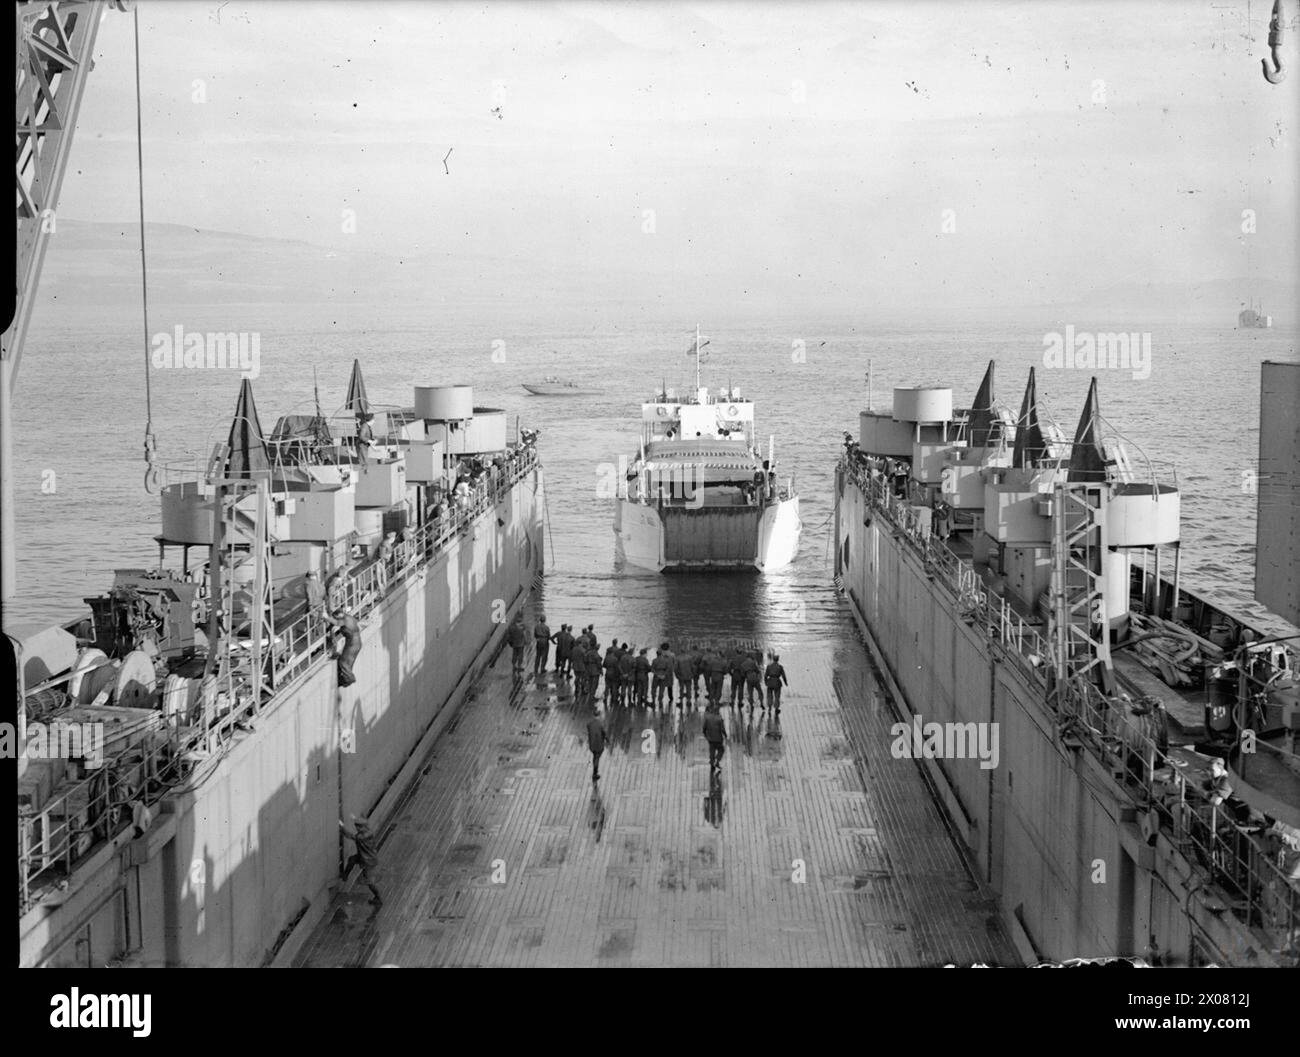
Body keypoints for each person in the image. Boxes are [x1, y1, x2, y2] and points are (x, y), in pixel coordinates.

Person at [339, 816, 382, 904]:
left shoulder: (361, 837)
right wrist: (354, 818)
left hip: (367, 861)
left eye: (358, 827)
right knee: (352, 859)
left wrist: (341, 826)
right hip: (367, 856)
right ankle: (345, 876)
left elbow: (349, 835)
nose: (356, 828)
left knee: (369, 882)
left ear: (362, 827)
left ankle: (378, 898)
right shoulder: (369, 832)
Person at [324, 606, 362, 687]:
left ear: (339, 615)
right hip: (356, 642)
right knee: (349, 662)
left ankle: (349, 679)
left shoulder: (345, 620)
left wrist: (326, 617)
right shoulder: (348, 617)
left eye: (336, 617)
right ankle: (344, 679)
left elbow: (337, 623)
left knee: (343, 662)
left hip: (352, 644)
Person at [703, 702, 726, 772]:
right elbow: (722, 729)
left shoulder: (707, 718)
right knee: (721, 750)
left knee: (712, 751)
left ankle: (712, 762)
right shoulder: (719, 718)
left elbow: (704, 728)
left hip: (710, 739)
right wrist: (725, 735)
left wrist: (706, 736)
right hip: (718, 739)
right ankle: (717, 760)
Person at [587, 708, 607, 783]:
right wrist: (607, 739)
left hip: (592, 744)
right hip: (599, 745)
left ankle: (595, 768)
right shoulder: (600, 724)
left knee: (595, 756)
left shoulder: (589, 724)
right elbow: (604, 733)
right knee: (597, 758)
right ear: (598, 715)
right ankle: (595, 772)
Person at [652, 644, 675, 710]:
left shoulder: (661, 655)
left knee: (661, 686)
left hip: (661, 673)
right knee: (669, 686)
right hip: (669, 672)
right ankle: (671, 698)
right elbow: (674, 663)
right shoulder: (672, 655)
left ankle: (659, 698)